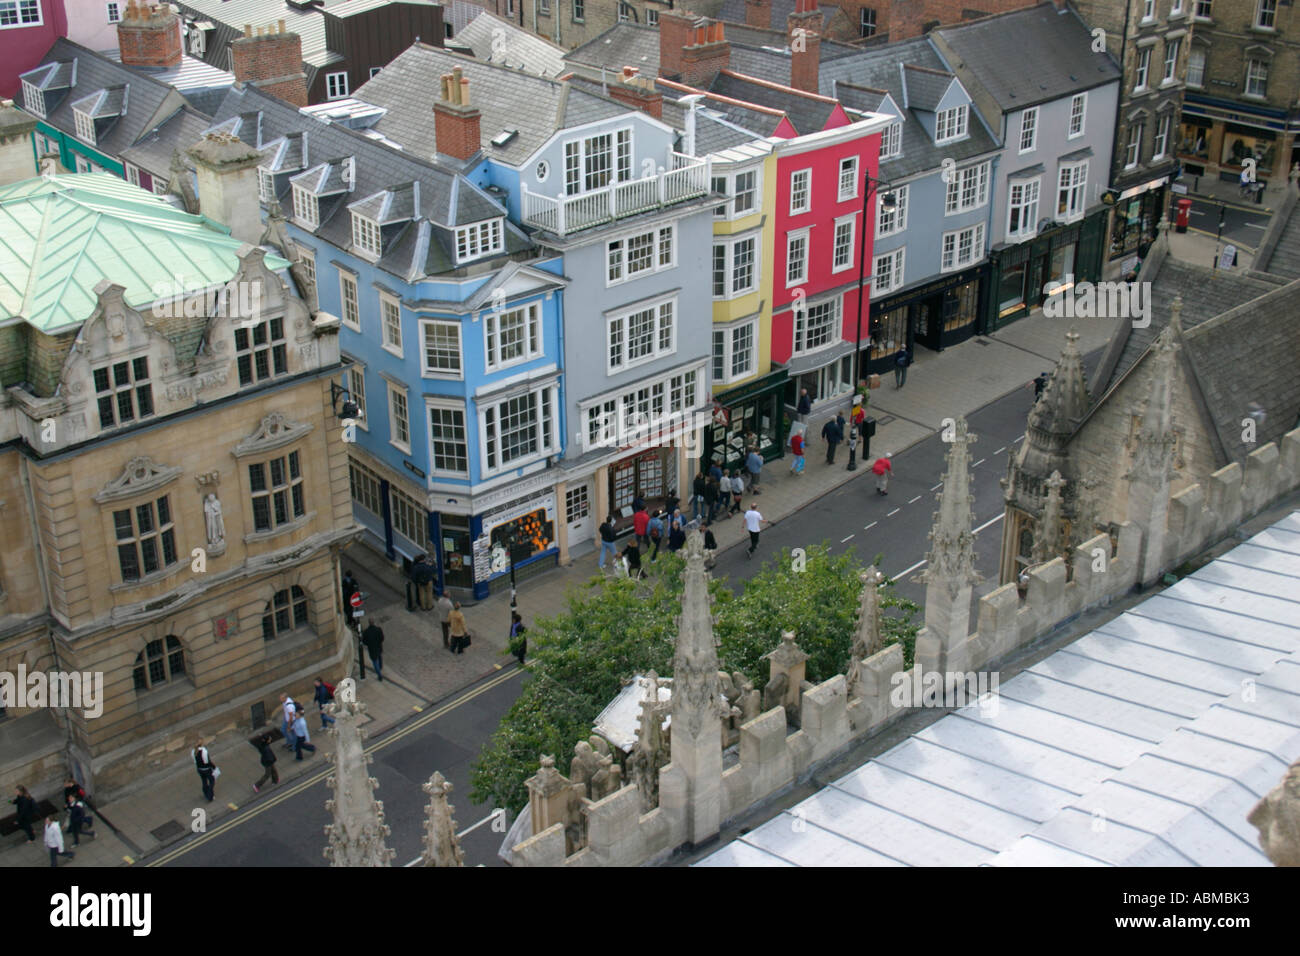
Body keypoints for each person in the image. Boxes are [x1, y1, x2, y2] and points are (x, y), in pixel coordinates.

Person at [194, 738, 217, 802]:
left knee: (204, 781)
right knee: (212, 781)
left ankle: (205, 793)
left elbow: (195, 761)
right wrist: (214, 767)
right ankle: (210, 796)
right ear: (202, 743)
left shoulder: (194, 751)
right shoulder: (204, 751)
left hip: (199, 769)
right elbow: (207, 762)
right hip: (206, 769)